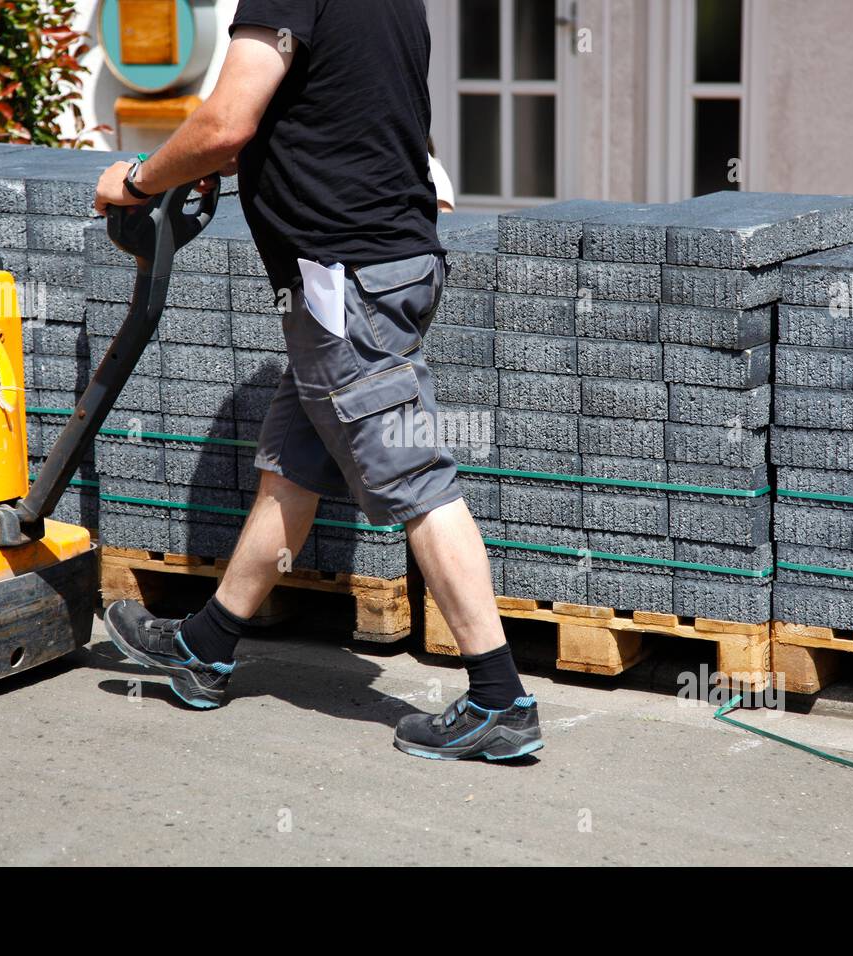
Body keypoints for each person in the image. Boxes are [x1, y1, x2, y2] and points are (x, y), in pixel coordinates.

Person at [93, 0, 542, 761]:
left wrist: (137, 179)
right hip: (392, 260)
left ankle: (501, 700)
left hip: (347, 283)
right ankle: (207, 648)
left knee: (416, 478)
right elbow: (350, 110)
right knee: (292, 467)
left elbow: (228, 119)